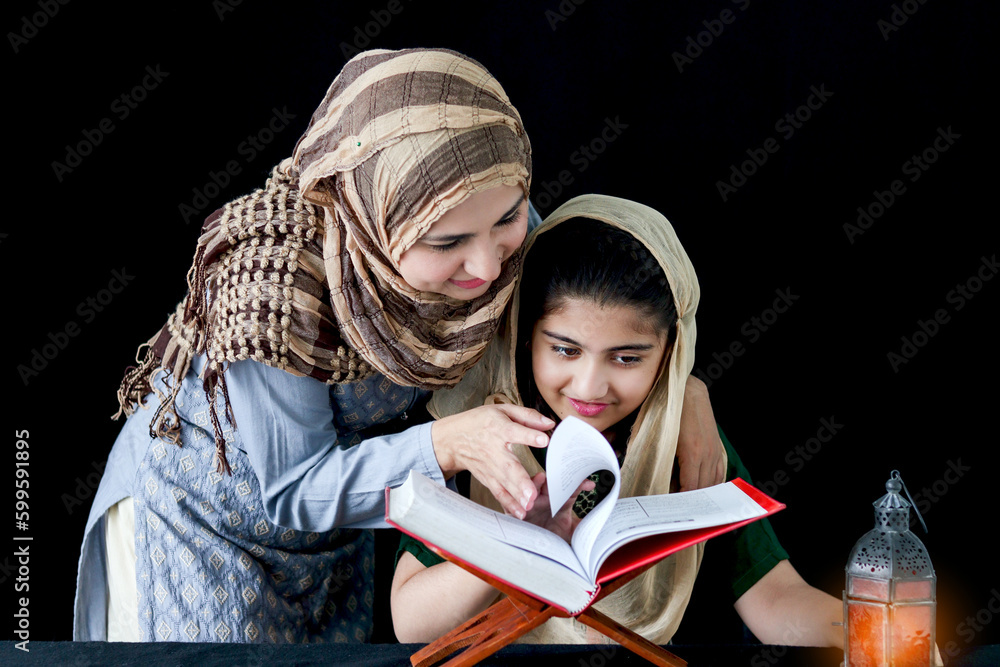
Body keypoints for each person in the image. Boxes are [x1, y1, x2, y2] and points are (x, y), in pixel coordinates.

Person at [73, 50, 724, 644]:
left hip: (339, 524)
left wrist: (682, 384)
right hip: (203, 521)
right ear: (374, 222)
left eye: (508, 218)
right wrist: (446, 444)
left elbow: (585, 311)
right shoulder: (273, 291)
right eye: (445, 244)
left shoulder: (485, 214)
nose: (490, 267)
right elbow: (296, 487)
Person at [391, 194, 844, 647]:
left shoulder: (684, 442)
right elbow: (413, 624)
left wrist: (880, 628)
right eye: (565, 350)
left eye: (626, 358)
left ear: (671, 351)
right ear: (527, 334)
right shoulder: (479, 436)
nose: (589, 388)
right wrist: (520, 543)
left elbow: (775, 599)